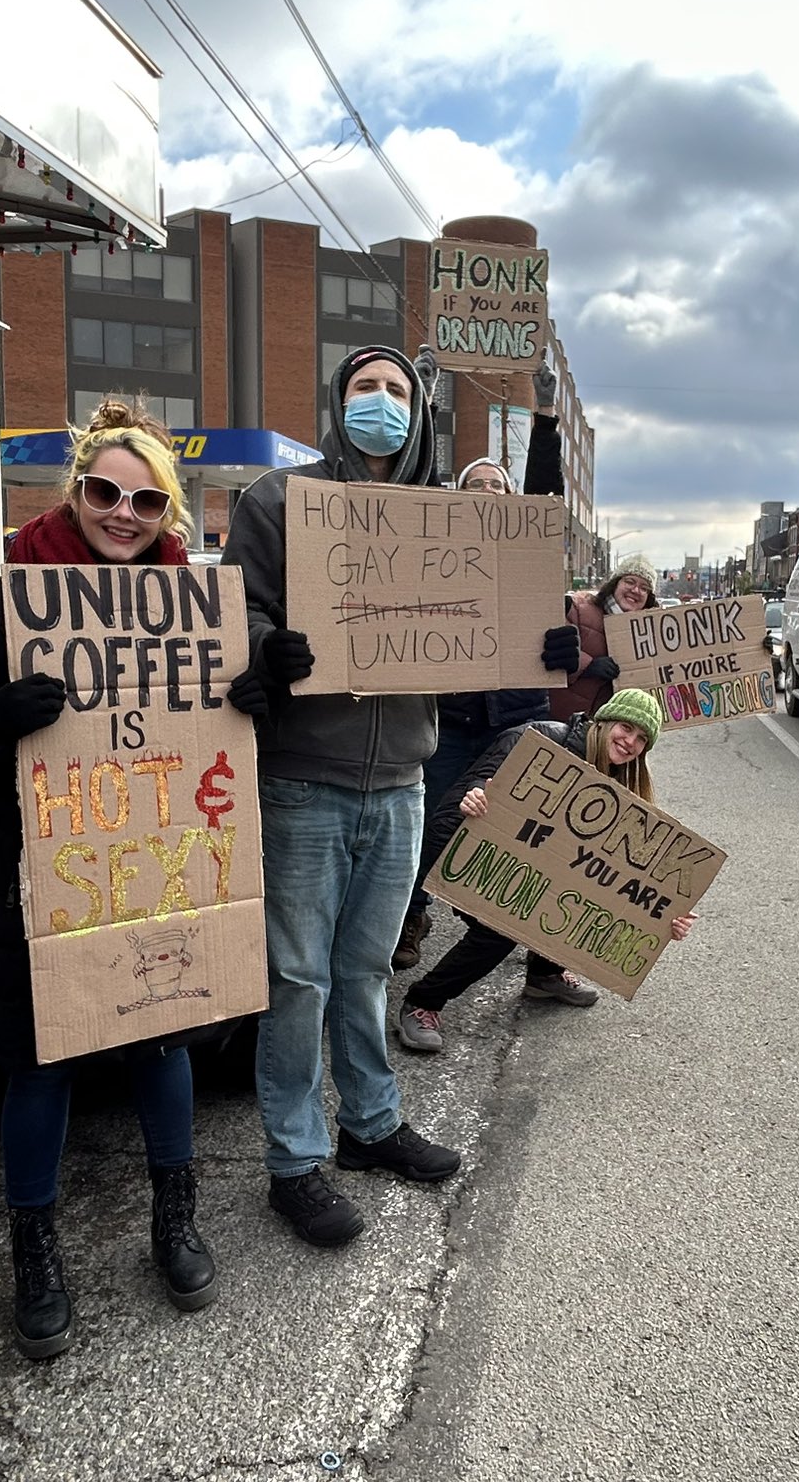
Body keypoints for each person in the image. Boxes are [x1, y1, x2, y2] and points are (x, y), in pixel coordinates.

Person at [220, 344, 581, 1248]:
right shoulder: (278, 503)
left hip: (402, 782)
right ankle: (295, 1163)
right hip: (302, 781)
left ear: (419, 412)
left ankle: (370, 1127)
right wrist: (270, 647)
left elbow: (507, 612)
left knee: (367, 969)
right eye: (363, 388)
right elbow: (236, 612)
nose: (379, 403)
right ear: (336, 402)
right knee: (297, 980)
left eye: (395, 391)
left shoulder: (452, 523)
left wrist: (549, 645)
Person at [0, 399, 216, 1361]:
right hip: (42, 865)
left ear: (168, 512)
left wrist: (265, 688)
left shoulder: (196, 613)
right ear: (76, 492)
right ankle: (35, 1251)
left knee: (161, 1043)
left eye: (145, 500)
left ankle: (174, 1219)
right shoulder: (3, 602)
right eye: (104, 492)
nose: (122, 513)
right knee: (38, 1061)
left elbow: (236, 736)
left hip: (157, 862)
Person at [395, 687, 697, 1053]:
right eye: (626, 728)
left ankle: (544, 973)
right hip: (466, 851)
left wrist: (664, 918)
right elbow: (469, 789)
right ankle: (424, 1001)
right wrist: (474, 797)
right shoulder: (534, 739)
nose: (630, 742)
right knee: (505, 927)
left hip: (523, 865)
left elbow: (622, 881)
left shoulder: (621, 787)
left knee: (574, 897)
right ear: (603, 721)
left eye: (642, 740)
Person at [390, 450, 556, 973]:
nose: (486, 491)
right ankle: (413, 916)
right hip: (451, 722)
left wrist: (562, 649)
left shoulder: (532, 563)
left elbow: (552, 635)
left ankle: (530, 940)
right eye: (475, 484)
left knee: (520, 831)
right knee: (434, 825)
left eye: (496, 486)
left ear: (511, 501)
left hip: (515, 721)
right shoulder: (432, 559)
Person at [551, 554, 656, 720]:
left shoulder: (649, 634)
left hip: (605, 730)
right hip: (561, 719)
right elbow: (551, 650)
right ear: (615, 584)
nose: (636, 590)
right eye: (629, 582)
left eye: (644, 588)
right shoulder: (579, 609)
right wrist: (588, 665)